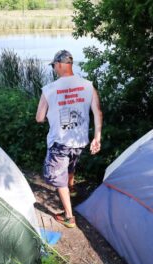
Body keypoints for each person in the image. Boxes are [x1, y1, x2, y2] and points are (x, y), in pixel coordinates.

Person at [36, 50, 103, 228]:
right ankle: (71, 188)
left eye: (54, 66)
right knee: (71, 163)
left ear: (59, 64)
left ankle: (69, 217)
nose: (54, 69)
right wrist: (97, 137)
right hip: (80, 140)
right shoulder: (88, 85)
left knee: (57, 176)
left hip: (60, 141)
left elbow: (39, 118)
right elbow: (97, 112)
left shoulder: (49, 89)